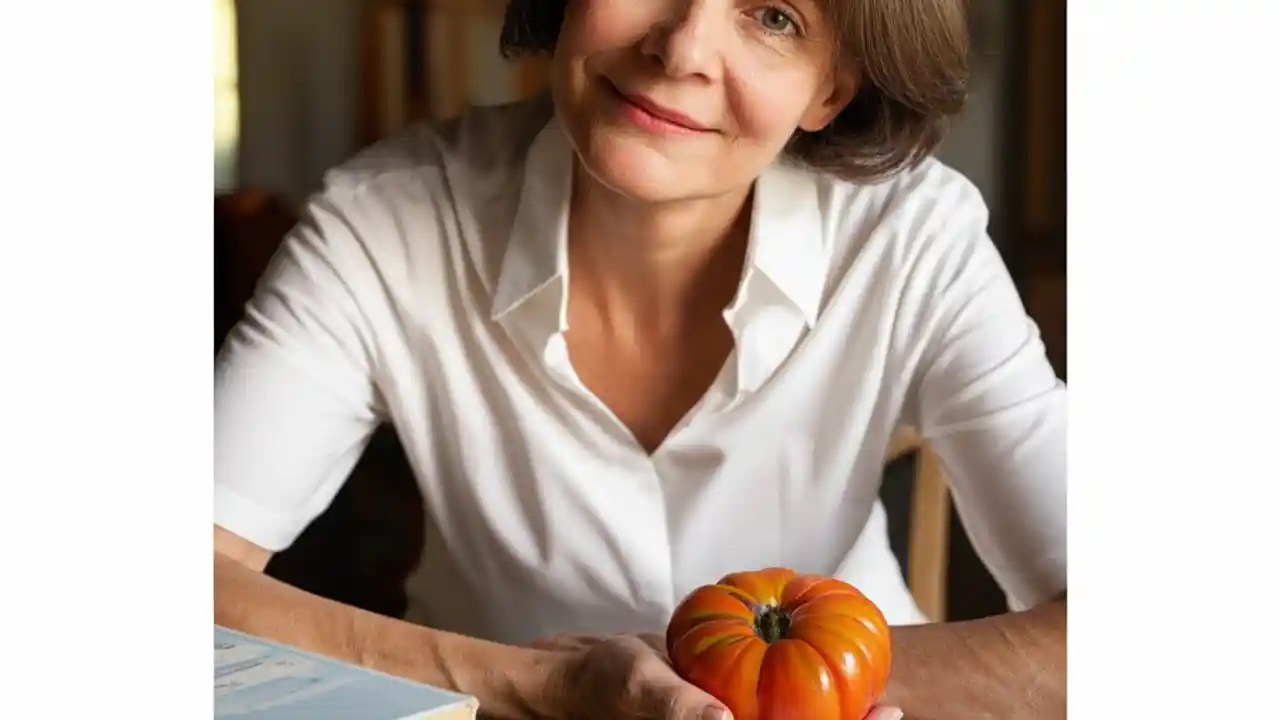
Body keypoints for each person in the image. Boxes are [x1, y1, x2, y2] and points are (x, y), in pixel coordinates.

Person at [213, 0, 1066, 717]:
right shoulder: (384, 220)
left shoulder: (917, 236)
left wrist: (781, 689)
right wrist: (539, 685)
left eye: (774, 16)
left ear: (832, 89)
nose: (684, 48)